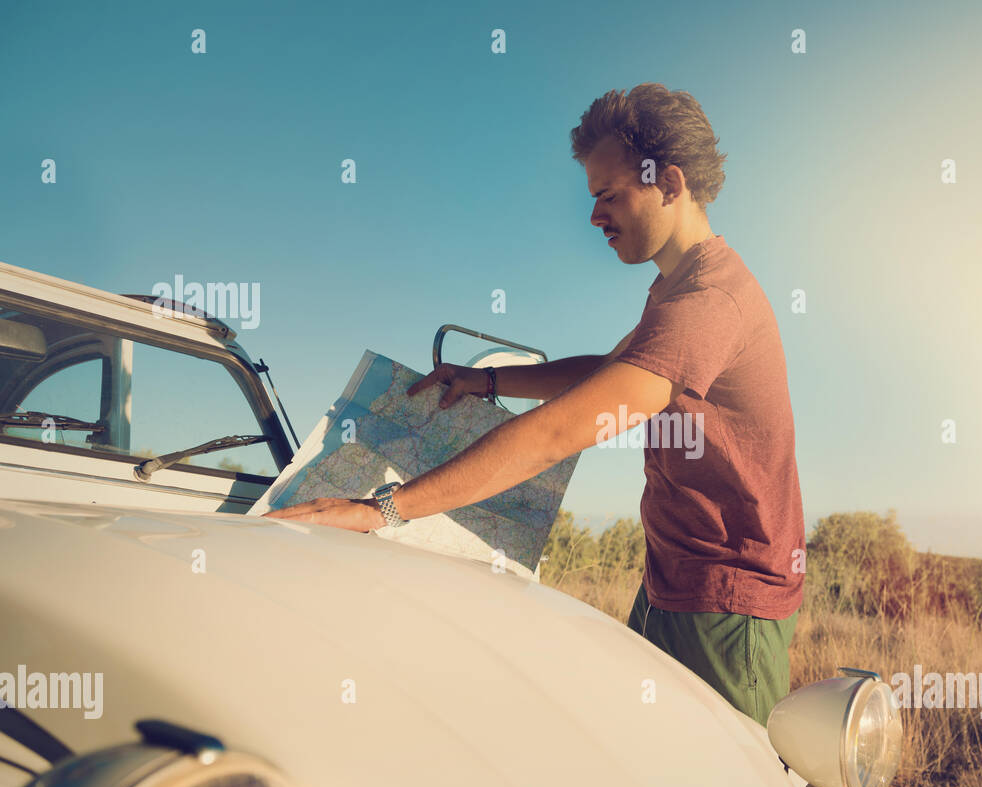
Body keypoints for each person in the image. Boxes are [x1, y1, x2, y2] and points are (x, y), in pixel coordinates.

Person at [266, 83, 805, 726]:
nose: (594, 217)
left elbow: (558, 434)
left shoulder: (709, 303)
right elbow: (608, 373)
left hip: (727, 605)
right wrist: (486, 382)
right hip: (674, 580)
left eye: (608, 195)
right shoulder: (675, 287)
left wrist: (380, 509)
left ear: (669, 182)